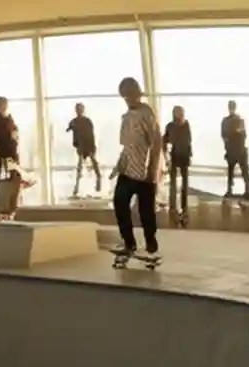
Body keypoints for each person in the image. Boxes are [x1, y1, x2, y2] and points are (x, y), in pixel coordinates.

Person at [111, 77, 163, 262]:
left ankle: (151, 242)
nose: (127, 99)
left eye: (129, 95)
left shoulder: (146, 113)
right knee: (119, 202)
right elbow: (126, 147)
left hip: (144, 171)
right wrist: (118, 167)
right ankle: (129, 242)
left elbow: (156, 142)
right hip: (127, 170)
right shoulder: (126, 117)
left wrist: (152, 168)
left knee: (145, 210)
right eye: (124, 97)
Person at [162, 106, 192, 225]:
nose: (179, 115)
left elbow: (188, 141)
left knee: (184, 182)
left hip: (183, 155)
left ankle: (183, 206)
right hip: (175, 155)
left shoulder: (185, 125)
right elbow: (166, 139)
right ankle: (173, 205)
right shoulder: (171, 126)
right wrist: (166, 154)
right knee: (173, 183)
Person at [66, 103, 101, 197]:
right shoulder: (75, 121)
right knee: (80, 166)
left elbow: (91, 134)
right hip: (81, 146)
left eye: (80, 109)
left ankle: (98, 180)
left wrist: (91, 147)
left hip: (87, 145)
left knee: (92, 163)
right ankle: (77, 186)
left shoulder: (86, 121)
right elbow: (69, 128)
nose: (78, 111)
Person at [221, 100, 249, 200]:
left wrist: (231, 137)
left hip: (233, 149)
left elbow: (225, 135)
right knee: (243, 171)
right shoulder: (239, 120)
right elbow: (243, 135)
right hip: (238, 149)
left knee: (234, 171)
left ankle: (233, 190)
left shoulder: (227, 121)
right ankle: (248, 191)